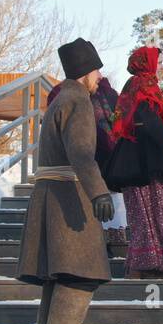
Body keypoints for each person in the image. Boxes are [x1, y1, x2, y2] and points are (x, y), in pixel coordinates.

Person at [16, 37, 115, 324]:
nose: (100, 77)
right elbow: (82, 154)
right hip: (69, 195)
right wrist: (99, 191)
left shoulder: (59, 100)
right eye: (97, 70)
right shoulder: (79, 101)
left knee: (58, 271)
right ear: (85, 72)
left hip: (50, 193)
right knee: (82, 268)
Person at [111, 46, 163, 278]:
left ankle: (154, 261)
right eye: (157, 61)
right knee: (154, 209)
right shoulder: (142, 87)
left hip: (142, 160)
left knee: (151, 212)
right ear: (147, 64)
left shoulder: (139, 86)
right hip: (143, 162)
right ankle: (152, 262)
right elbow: (146, 118)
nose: (160, 65)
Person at [47, 76, 129, 246]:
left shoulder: (62, 93)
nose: (99, 75)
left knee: (96, 198)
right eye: (96, 70)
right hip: (101, 154)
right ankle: (108, 239)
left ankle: (102, 240)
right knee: (102, 198)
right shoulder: (96, 95)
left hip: (92, 154)